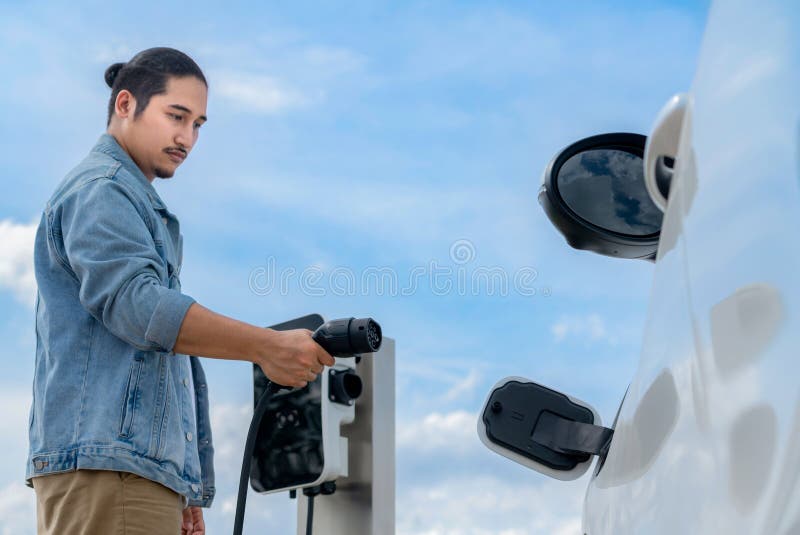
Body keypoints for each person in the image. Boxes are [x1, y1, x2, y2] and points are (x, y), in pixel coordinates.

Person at [25, 47, 335, 535]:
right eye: (176, 116)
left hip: (131, 473)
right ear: (125, 104)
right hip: (113, 471)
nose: (187, 137)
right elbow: (140, 307)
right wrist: (267, 346)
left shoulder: (127, 197)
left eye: (198, 124)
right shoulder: (103, 189)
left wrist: (182, 479)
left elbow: (156, 350)